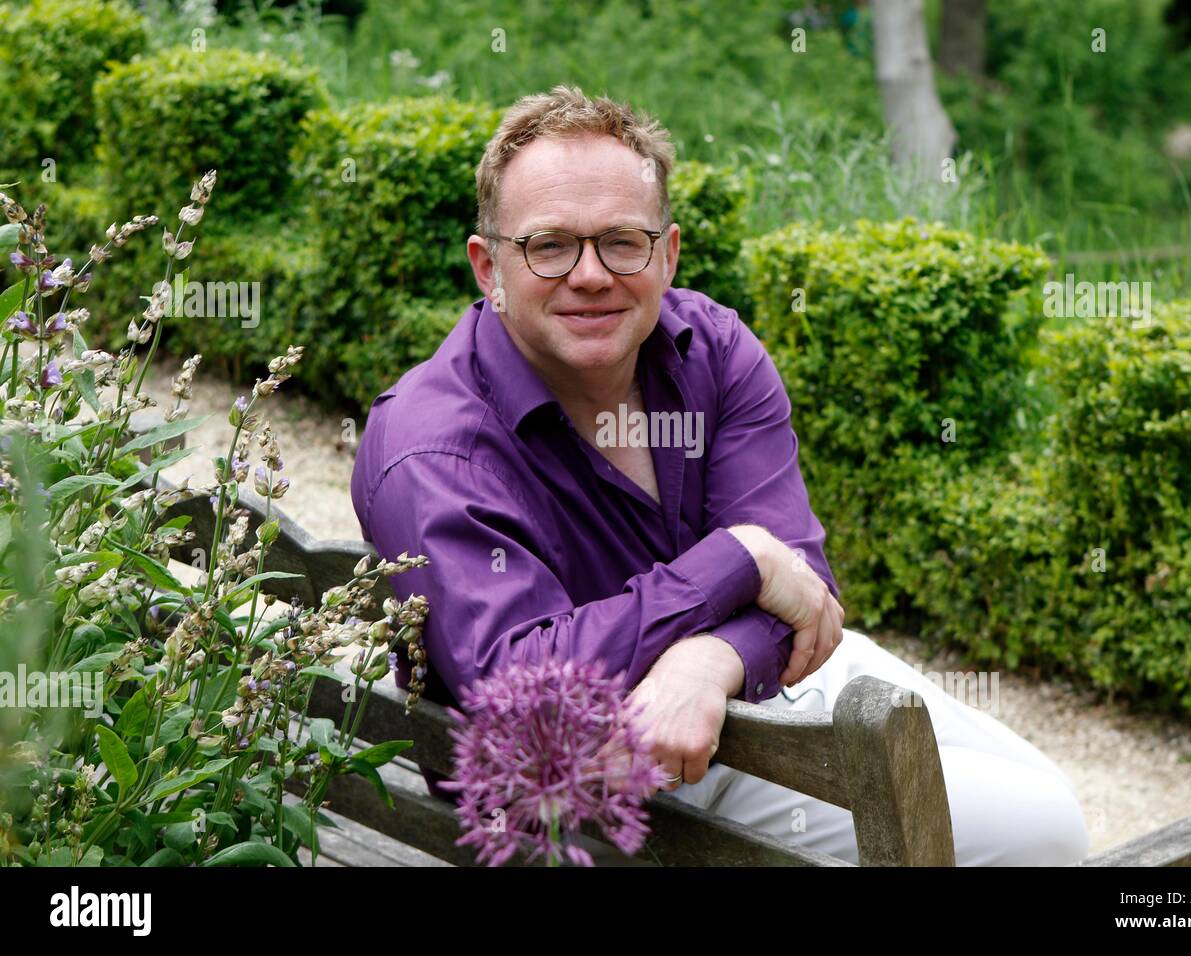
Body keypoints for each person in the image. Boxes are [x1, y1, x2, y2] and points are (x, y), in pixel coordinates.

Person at [349, 85, 1089, 866]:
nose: (592, 274)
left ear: (667, 254)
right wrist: (740, 561)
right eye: (549, 245)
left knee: (1047, 795)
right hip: (601, 787)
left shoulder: (713, 351)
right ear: (487, 266)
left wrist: (708, 660)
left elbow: (803, 582)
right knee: (1039, 834)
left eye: (622, 242)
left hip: (740, 687)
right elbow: (525, 690)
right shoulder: (431, 447)